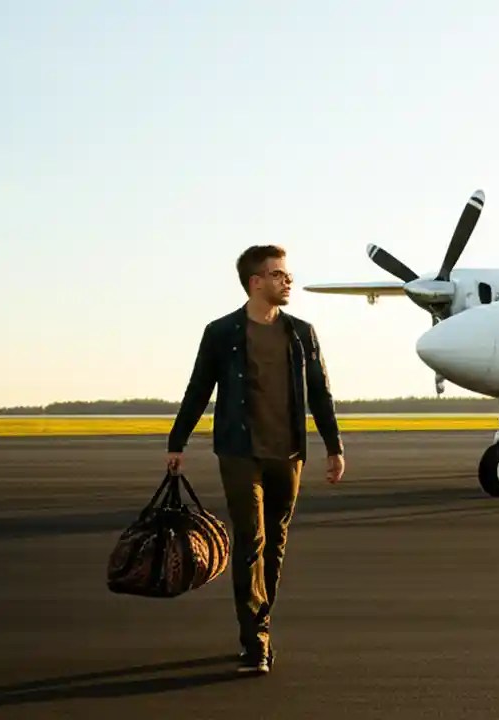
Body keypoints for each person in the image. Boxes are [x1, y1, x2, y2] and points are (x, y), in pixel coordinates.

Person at [165, 244, 346, 676]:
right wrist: (177, 441)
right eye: (278, 274)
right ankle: (256, 642)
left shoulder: (302, 333)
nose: (288, 281)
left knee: (275, 544)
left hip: (289, 456)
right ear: (255, 282)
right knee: (251, 542)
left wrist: (334, 445)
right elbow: (198, 389)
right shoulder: (221, 332)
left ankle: (259, 622)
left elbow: (320, 393)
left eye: (287, 274)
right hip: (240, 452)